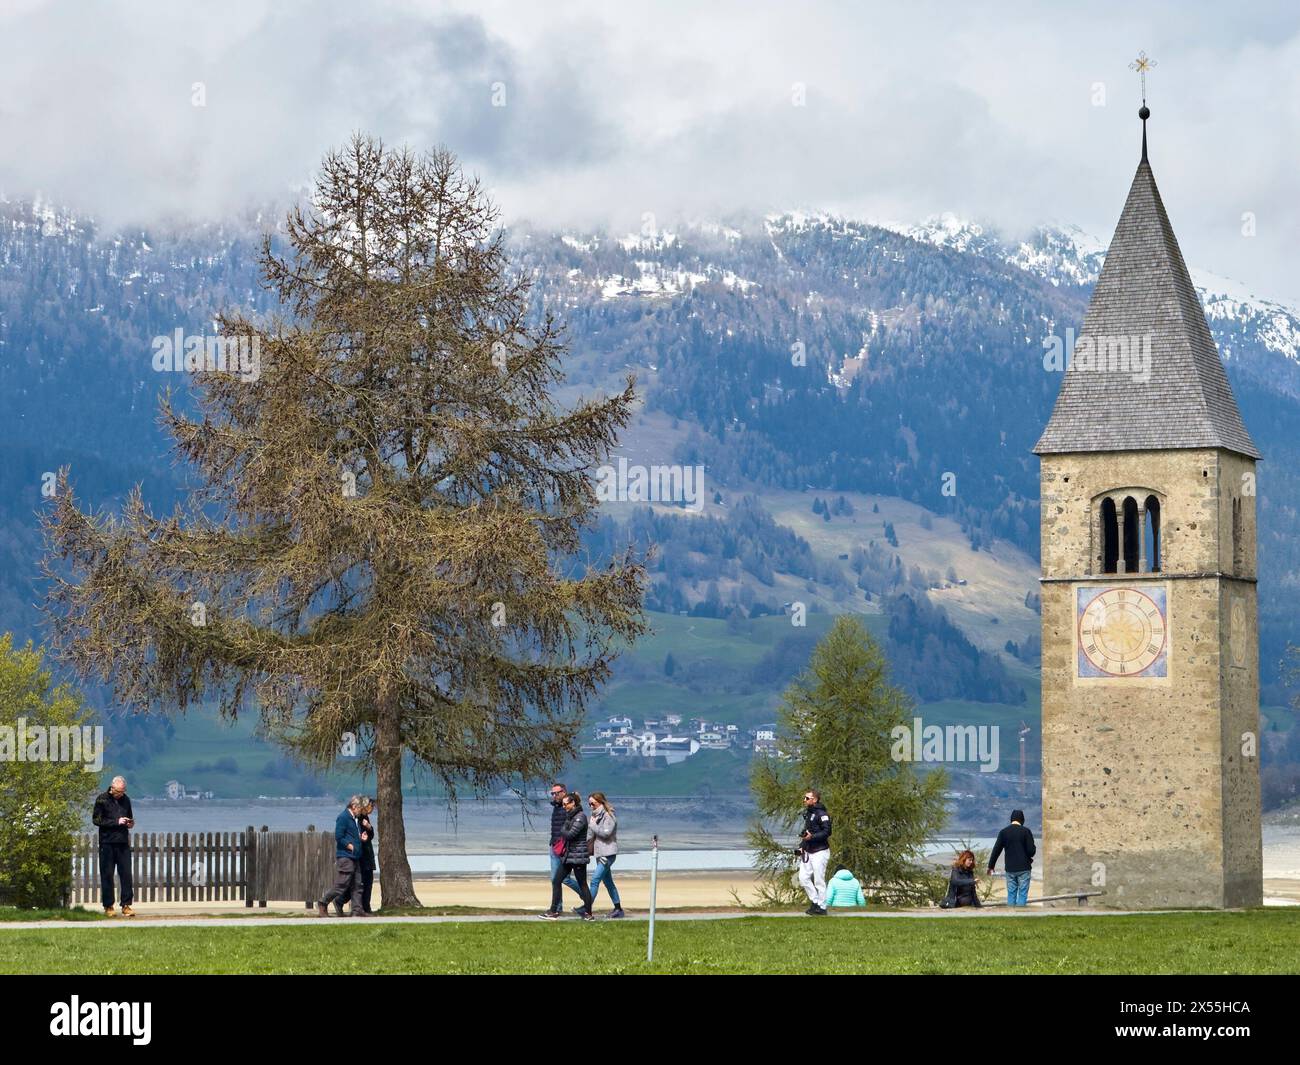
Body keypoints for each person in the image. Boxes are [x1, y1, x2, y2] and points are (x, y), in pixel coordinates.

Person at [568, 791, 624, 918]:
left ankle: (587, 908)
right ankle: (618, 908)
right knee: (608, 882)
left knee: (594, 880)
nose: (591, 806)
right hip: (600, 853)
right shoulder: (595, 816)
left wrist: (592, 825)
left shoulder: (609, 816)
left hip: (608, 853)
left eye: (593, 803)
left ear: (600, 802)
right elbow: (591, 836)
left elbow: (606, 833)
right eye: (589, 804)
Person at [540, 792, 594, 920]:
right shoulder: (570, 817)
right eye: (563, 805)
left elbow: (569, 834)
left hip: (578, 857)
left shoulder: (580, 817)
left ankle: (589, 913)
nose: (564, 807)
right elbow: (564, 830)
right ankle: (553, 910)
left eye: (566, 804)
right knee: (557, 880)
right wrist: (565, 828)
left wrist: (564, 829)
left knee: (583, 884)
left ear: (572, 803)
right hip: (569, 855)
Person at [92, 776, 135, 917]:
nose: (120, 794)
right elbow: (96, 820)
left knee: (126, 875)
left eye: (122, 791)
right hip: (107, 843)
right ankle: (108, 906)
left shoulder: (126, 800)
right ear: (112, 788)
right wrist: (116, 821)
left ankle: (126, 905)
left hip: (122, 842)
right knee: (107, 875)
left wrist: (129, 823)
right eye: (118, 791)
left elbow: (129, 817)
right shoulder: (101, 799)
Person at [318, 795, 368, 917]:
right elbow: (339, 836)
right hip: (346, 856)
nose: (361, 812)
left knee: (358, 884)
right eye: (360, 809)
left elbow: (351, 835)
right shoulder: (343, 817)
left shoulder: (354, 819)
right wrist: (350, 846)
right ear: (354, 806)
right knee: (341, 884)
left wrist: (361, 838)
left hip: (355, 856)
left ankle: (357, 910)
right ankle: (323, 903)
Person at [988, 808, 1036, 907]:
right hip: (1024, 868)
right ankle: (1020, 915)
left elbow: (996, 850)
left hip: (1010, 869)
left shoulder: (1003, 832)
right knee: (1022, 894)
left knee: (1011, 893)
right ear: (1022, 820)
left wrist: (991, 866)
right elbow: (1031, 851)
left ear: (1011, 819)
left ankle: (1010, 914)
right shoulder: (1026, 831)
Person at [796, 788, 832, 916]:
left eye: (807, 798)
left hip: (820, 852)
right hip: (808, 851)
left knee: (819, 880)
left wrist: (812, 837)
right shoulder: (809, 814)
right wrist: (802, 846)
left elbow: (827, 832)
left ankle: (822, 907)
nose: (804, 800)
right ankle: (815, 901)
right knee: (803, 878)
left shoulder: (823, 814)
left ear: (814, 799)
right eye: (804, 798)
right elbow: (807, 832)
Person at [358, 796, 377, 914]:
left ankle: (366, 906)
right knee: (363, 881)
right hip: (362, 855)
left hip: (368, 853)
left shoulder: (366, 818)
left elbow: (371, 835)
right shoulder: (359, 818)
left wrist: (369, 827)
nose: (373, 808)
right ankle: (363, 906)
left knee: (368, 881)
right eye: (371, 806)